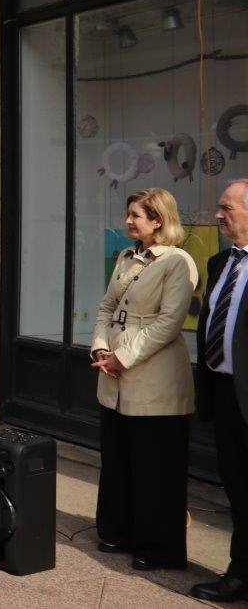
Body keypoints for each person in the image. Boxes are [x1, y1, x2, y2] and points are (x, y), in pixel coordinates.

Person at [89, 187, 196, 572]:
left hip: (155, 380)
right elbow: (106, 307)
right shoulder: (125, 256)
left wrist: (123, 357)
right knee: (118, 460)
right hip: (114, 377)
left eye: (135, 215)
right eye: (129, 214)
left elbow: (169, 323)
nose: (128, 221)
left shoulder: (177, 261)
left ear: (158, 220)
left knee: (155, 468)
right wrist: (100, 347)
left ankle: (159, 548)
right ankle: (118, 532)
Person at [192, 179, 248, 601]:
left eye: (227, 208)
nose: (218, 215)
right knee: (238, 491)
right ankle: (240, 573)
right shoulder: (219, 262)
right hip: (226, 394)